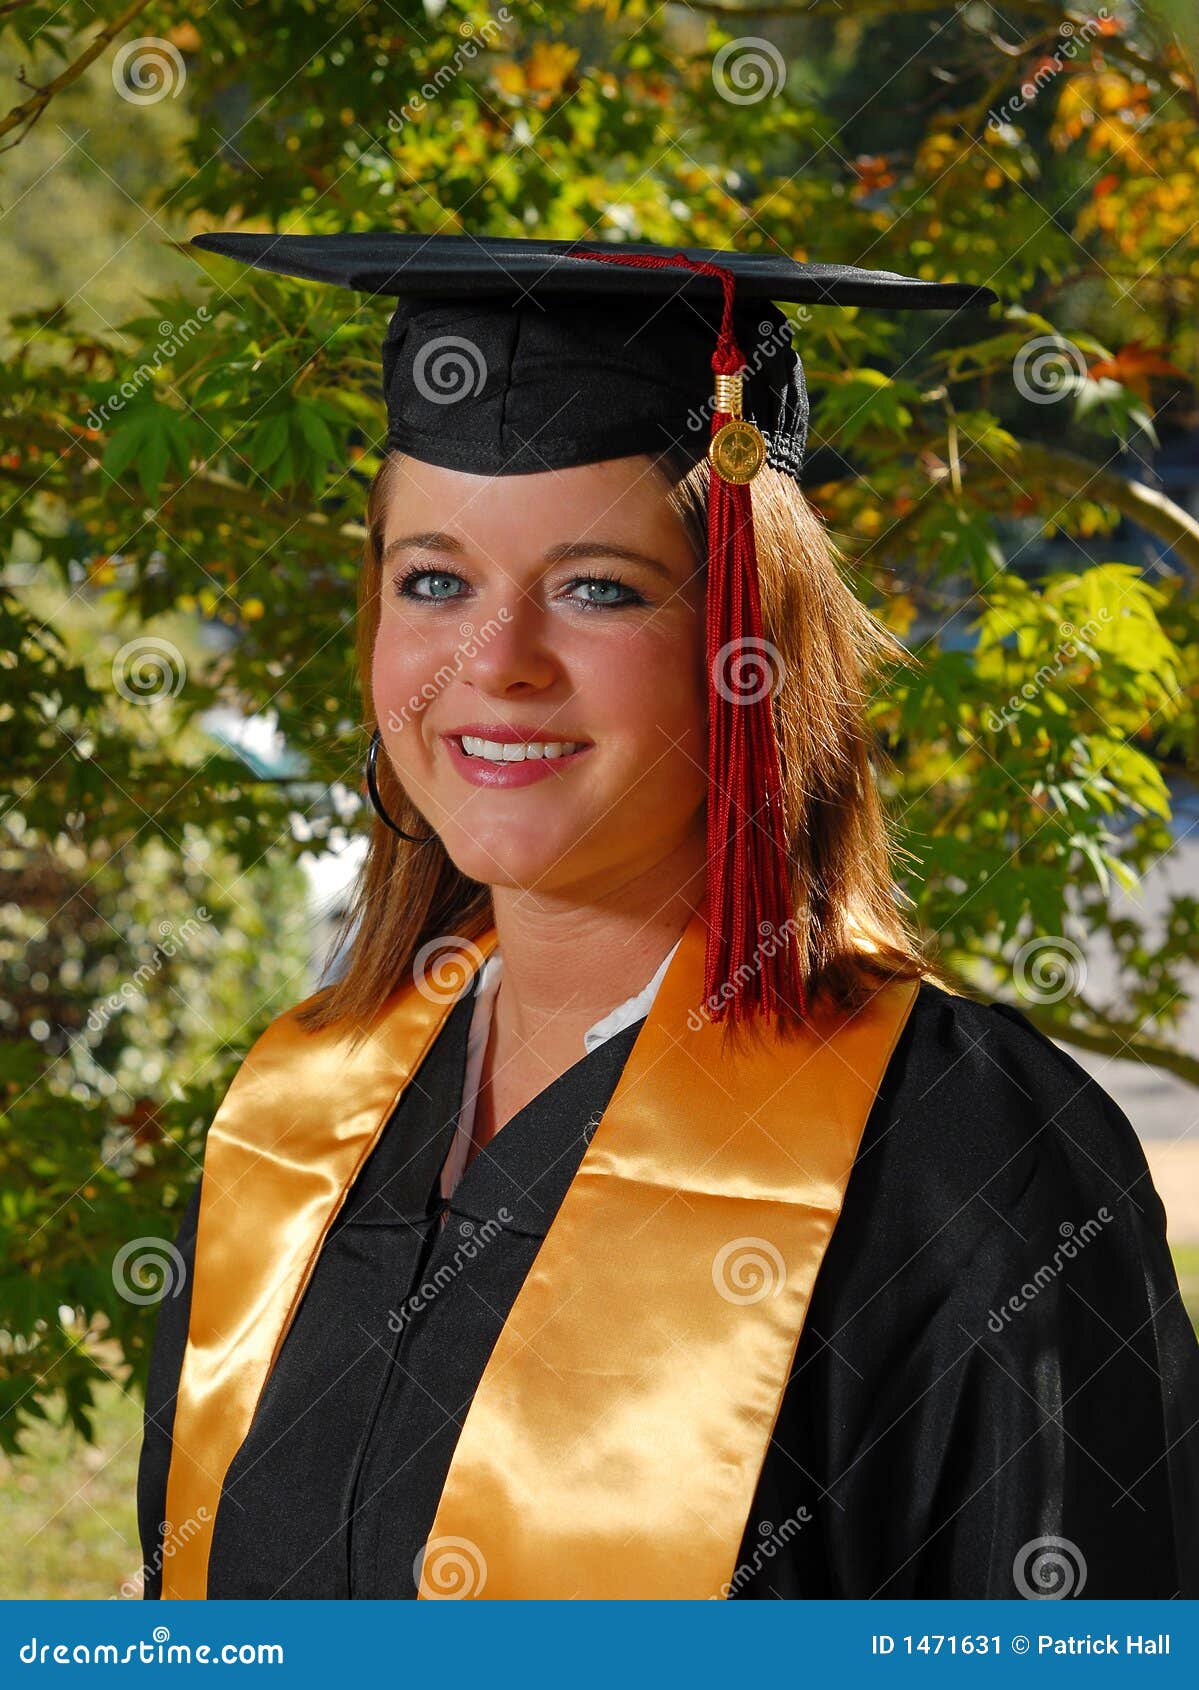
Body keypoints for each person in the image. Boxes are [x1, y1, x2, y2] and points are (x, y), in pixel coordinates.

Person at [136, 233, 1199, 1601]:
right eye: (434, 579)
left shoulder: (971, 1160)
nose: (496, 661)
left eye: (597, 587)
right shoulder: (294, 1118)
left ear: (748, 640)